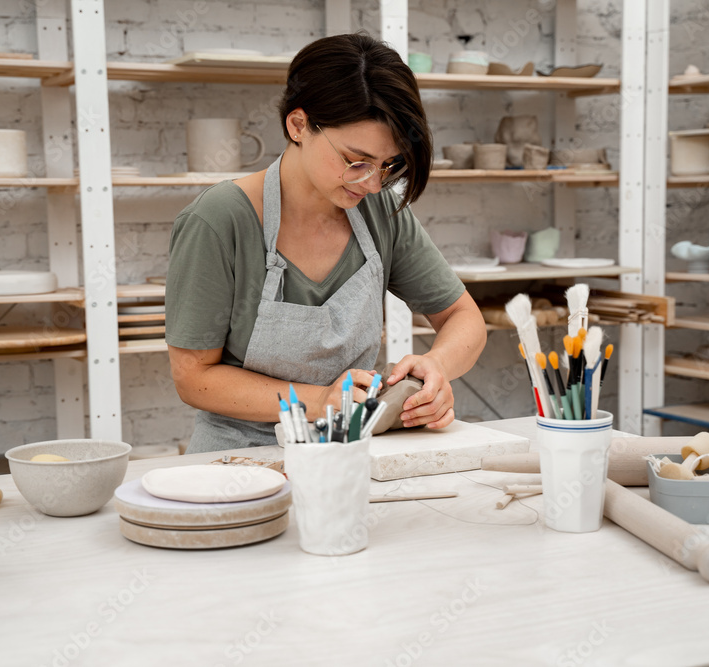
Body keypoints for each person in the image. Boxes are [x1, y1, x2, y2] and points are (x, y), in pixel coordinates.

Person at [166, 32, 487, 454]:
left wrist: (435, 369)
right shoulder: (218, 219)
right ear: (298, 125)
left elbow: (464, 317)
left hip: (350, 450)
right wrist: (317, 401)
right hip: (241, 459)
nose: (372, 183)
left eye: (387, 165)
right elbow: (193, 377)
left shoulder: (381, 213)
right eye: (355, 161)